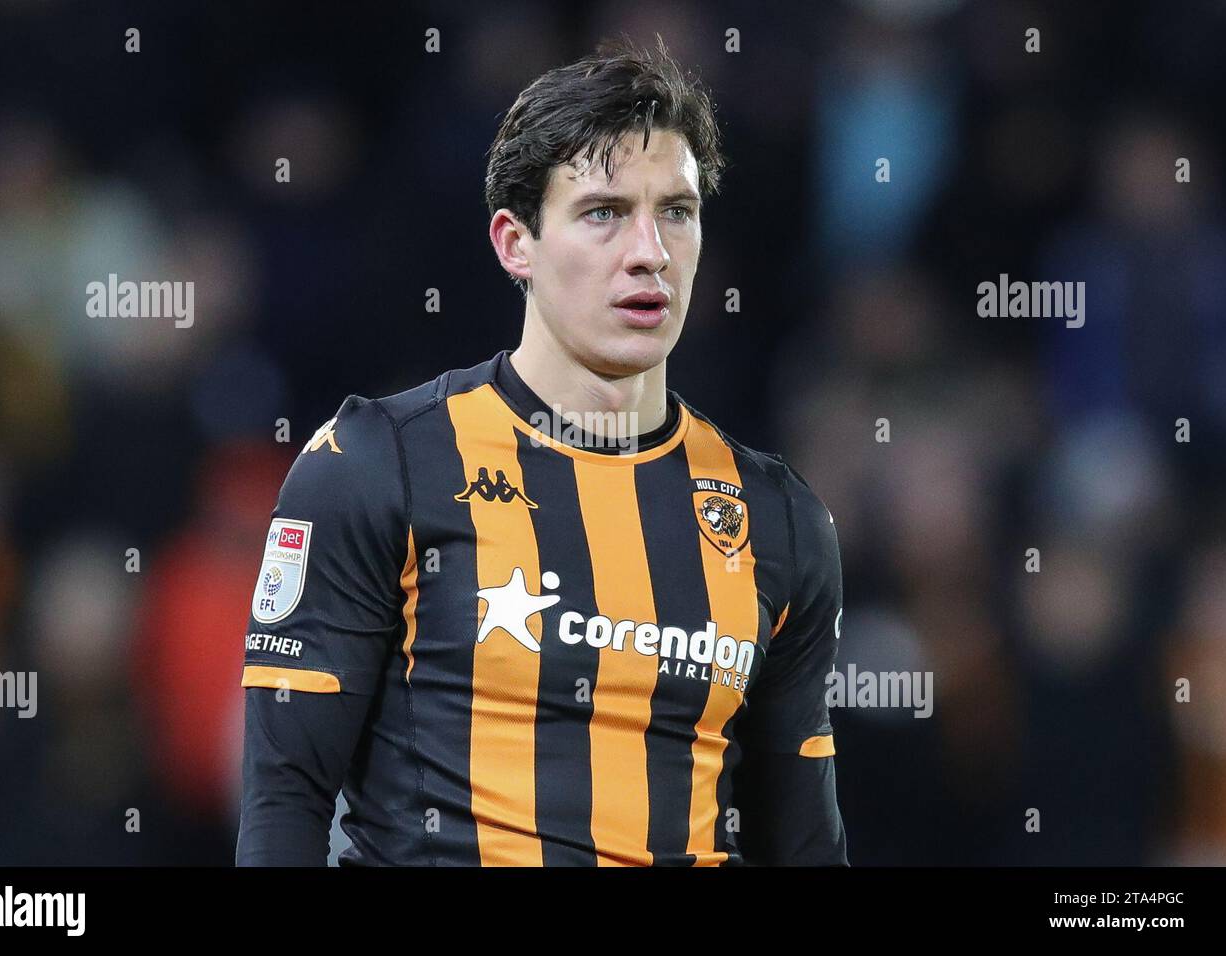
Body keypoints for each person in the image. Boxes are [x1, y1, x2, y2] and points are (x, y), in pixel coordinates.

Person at [236, 34, 847, 866]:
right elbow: (284, 800)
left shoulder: (778, 518)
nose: (649, 252)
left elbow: (803, 843)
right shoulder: (377, 465)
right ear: (514, 242)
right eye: (603, 212)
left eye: (676, 210)